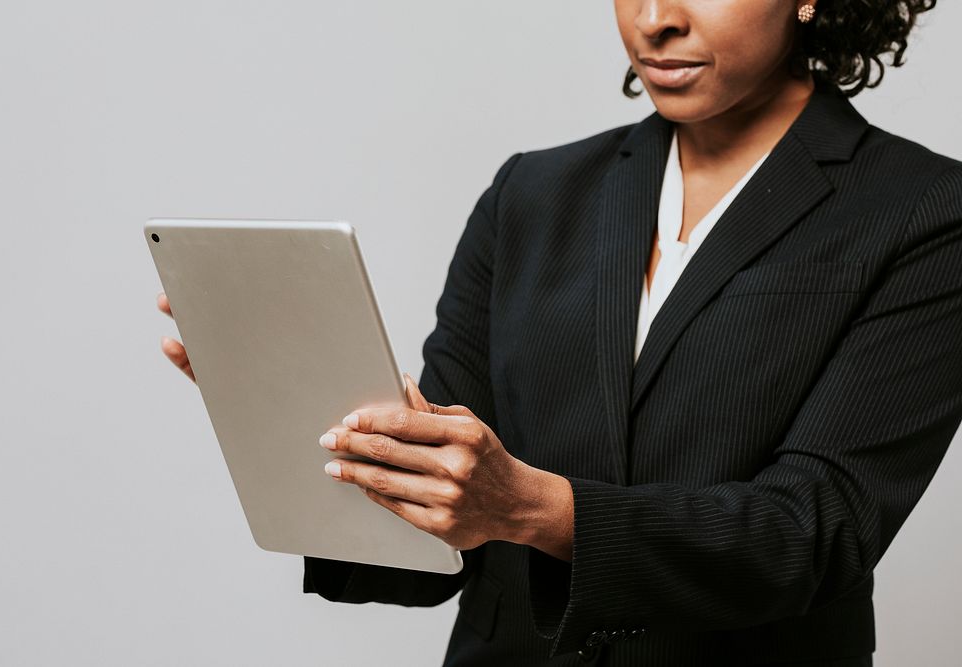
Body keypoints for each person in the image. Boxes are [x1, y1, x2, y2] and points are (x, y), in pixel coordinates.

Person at [157, 0, 962, 664]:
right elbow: (443, 534)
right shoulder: (531, 194)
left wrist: (535, 508)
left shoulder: (923, 212)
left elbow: (815, 532)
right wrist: (292, 409)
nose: (653, 19)